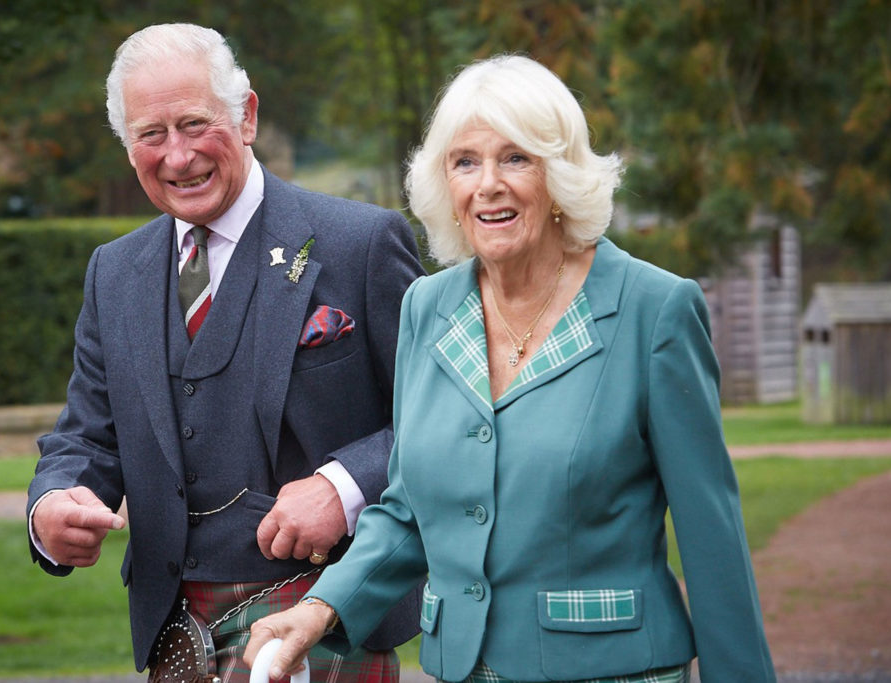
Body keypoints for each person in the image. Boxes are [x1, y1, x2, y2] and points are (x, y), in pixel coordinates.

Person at [244, 55, 776, 682]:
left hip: (613, 670)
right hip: (464, 670)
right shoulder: (427, 307)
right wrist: (320, 608)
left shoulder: (653, 310)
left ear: (560, 175)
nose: (488, 183)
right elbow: (410, 506)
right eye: (465, 161)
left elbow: (712, 535)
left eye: (516, 158)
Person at [27, 22, 425, 681]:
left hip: (327, 621)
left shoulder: (360, 243)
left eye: (193, 124)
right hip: (175, 637)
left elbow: (438, 418)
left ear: (246, 116)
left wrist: (344, 484)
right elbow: (87, 440)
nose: (177, 156)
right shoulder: (113, 272)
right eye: (151, 135)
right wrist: (53, 504)